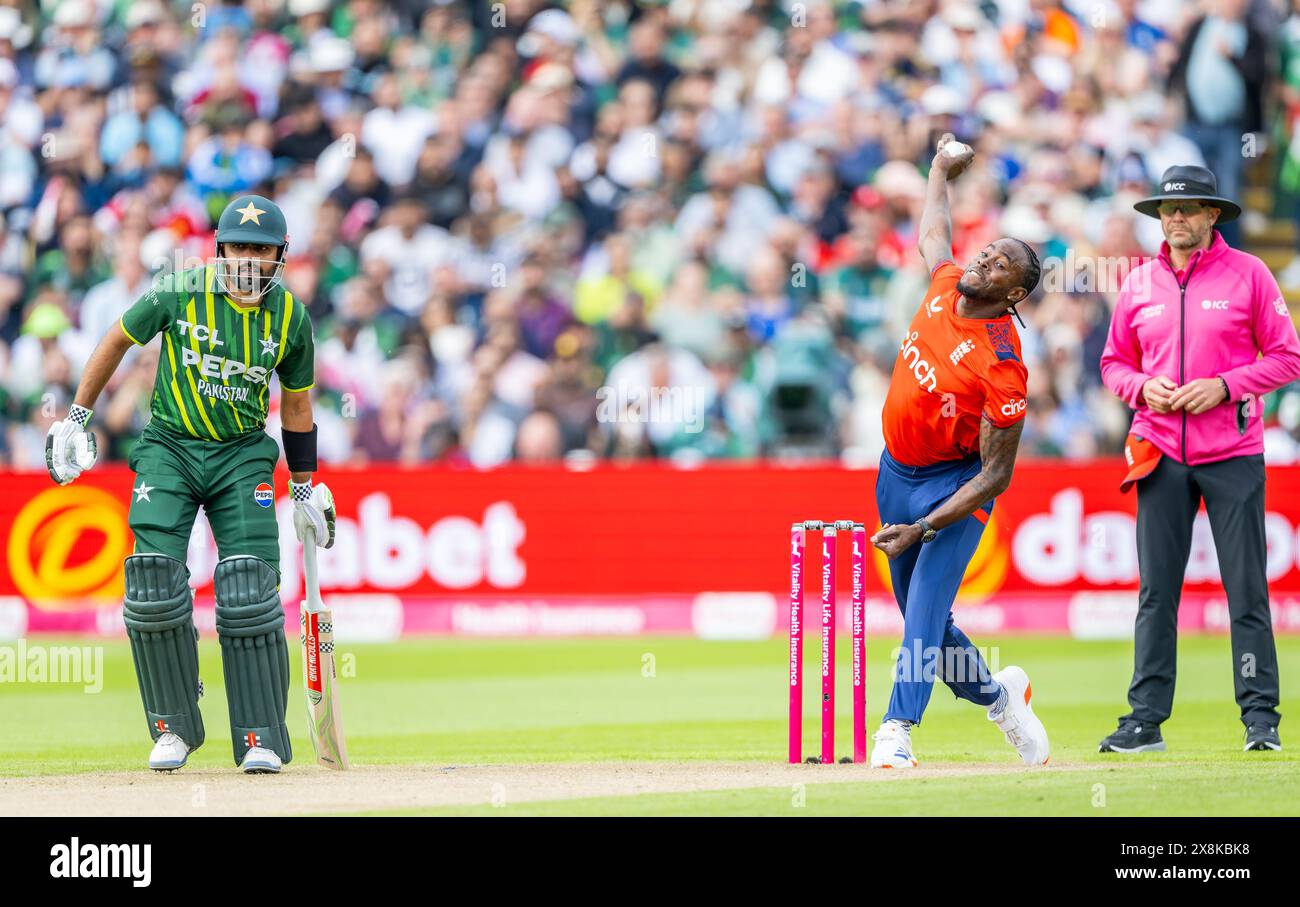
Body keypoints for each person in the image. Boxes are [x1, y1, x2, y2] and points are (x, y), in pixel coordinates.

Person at [43, 195, 335, 774]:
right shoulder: (179, 290)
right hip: (169, 448)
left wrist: (303, 487)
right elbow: (117, 340)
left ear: (280, 256)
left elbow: (297, 406)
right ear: (220, 249)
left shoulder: (291, 318)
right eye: (239, 248)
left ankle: (261, 738)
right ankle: (174, 725)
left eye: (262, 249)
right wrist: (77, 417)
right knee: (152, 584)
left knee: (249, 588)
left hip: (243, 455)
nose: (249, 260)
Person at [1100, 165, 1300, 753]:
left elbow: (1288, 359)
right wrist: (1144, 389)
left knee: (1246, 589)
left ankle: (1260, 720)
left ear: (1213, 215)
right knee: (1156, 593)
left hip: (1232, 452)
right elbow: (1114, 364)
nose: (1176, 217)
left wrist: (1226, 386)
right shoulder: (1138, 283)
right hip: (1159, 450)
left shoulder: (1251, 274)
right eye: (1168, 209)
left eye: (1188, 208)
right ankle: (1145, 721)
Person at [868, 134, 1049, 769]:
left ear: (1014, 293)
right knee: (934, 629)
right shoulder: (947, 281)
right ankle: (1002, 699)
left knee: (922, 614)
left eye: (1000, 266)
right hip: (895, 473)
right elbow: (933, 233)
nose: (984, 262)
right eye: (989, 252)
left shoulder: (1004, 367)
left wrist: (923, 525)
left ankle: (897, 729)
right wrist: (939, 168)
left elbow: (997, 476)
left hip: (953, 490)